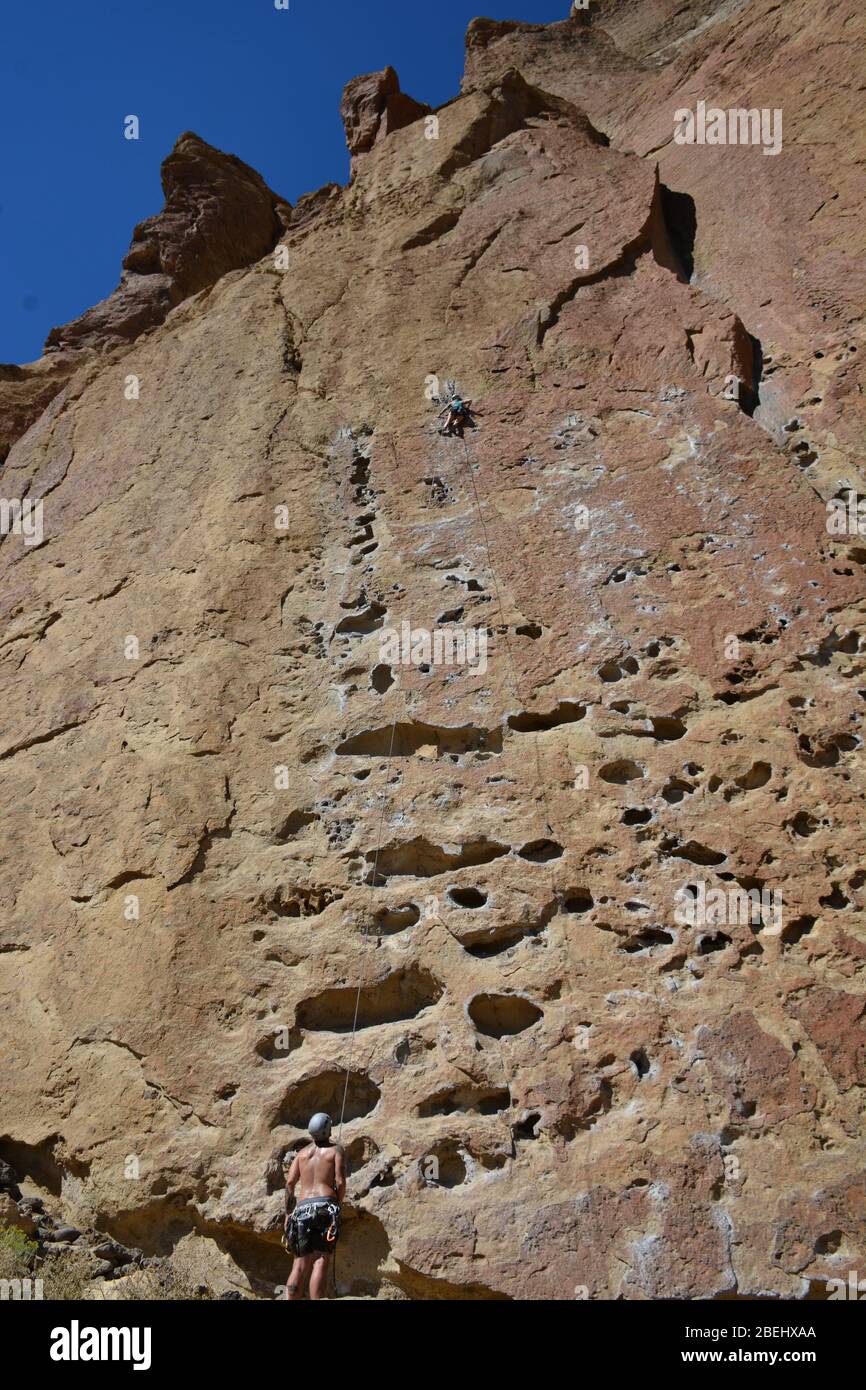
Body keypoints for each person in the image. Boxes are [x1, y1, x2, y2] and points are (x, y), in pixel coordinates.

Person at [283, 1112, 346, 1301]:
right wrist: (338, 1203)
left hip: (301, 1211)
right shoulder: (336, 1150)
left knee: (299, 1264)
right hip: (325, 1209)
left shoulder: (301, 1155)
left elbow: (290, 1184)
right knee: (320, 1259)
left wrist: (288, 1213)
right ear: (327, 1129)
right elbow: (340, 1181)